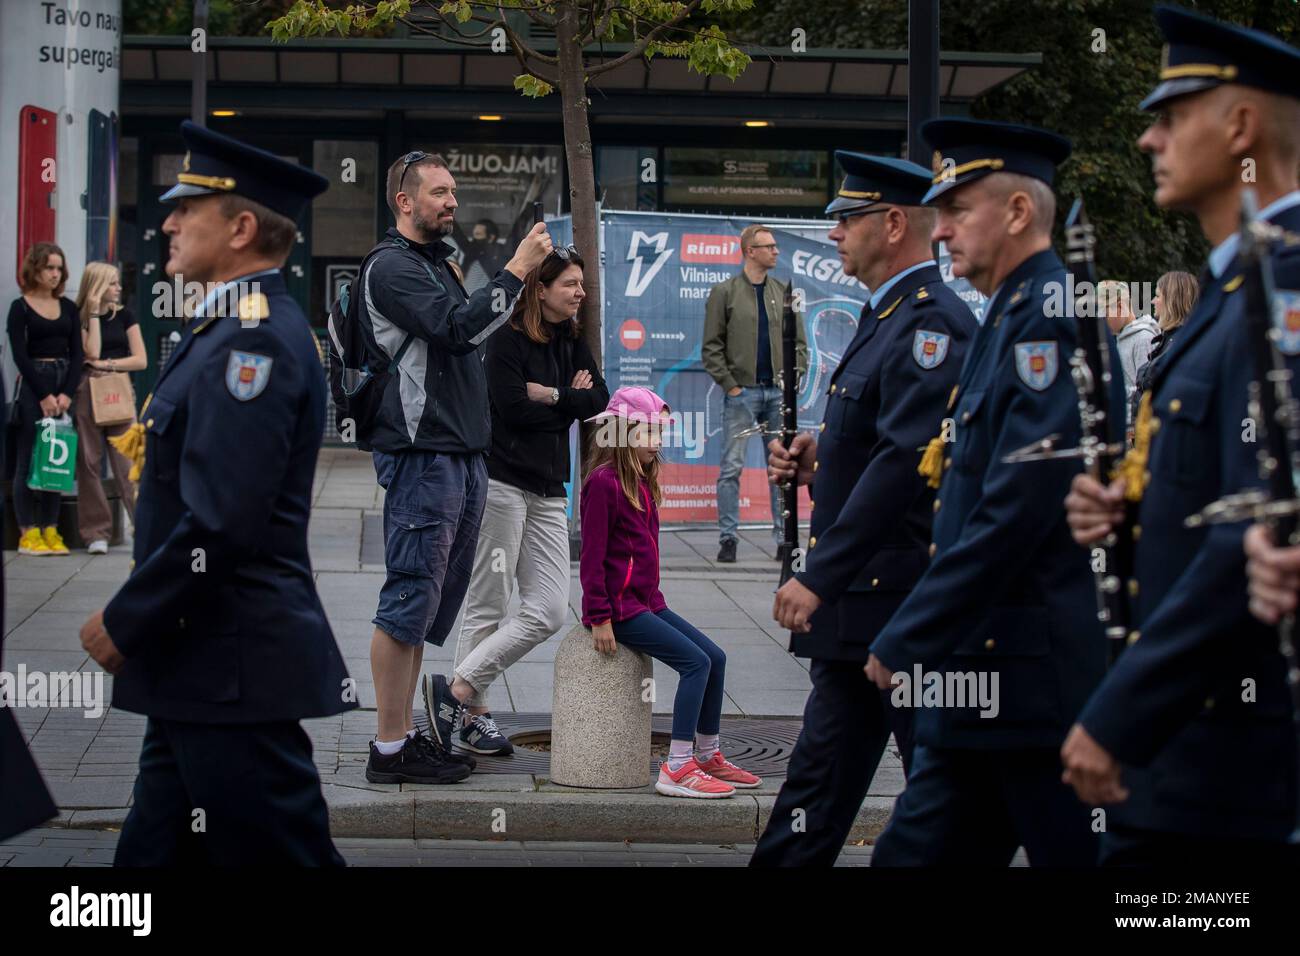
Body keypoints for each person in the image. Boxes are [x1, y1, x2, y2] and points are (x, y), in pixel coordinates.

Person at [77, 121, 354, 865]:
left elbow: (224, 522)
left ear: (238, 227)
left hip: (231, 662)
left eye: (184, 211)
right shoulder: (226, 327)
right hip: (200, 663)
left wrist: (126, 618)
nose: (165, 222)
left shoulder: (253, 340)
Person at [1061, 5, 1300, 867]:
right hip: (1192, 745)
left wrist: (1124, 711)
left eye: (1169, 118)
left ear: (1239, 126)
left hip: (1223, 754)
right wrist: (1135, 505)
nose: (1147, 141)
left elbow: (1258, 527)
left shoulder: (1285, 285)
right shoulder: (1235, 288)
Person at [862, 119, 1106, 867]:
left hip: (1027, 680)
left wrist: (910, 635)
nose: (941, 232)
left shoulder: (1047, 317)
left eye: (959, 210)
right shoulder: (1009, 312)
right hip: (988, 680)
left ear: (1019, 213)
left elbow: (1020, 503)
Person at [748, 153, 974, 866]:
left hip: (898, 604)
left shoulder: (933, 323)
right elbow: (878, 447)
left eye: (848, 219)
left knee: (945, 795)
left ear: (896, 223)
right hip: (863, 606)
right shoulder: (887, 316)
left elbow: (907, 464)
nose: (836, 233)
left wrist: (819, 575)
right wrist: (820, 463)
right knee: (818, 785)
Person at [362, 150, 551, 784]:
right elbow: (458, 329)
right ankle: (388, 750)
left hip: (461, 456)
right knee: (407, 601)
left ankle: (406, 738)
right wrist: (518, 270)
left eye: (454, 193)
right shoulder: (392, 267)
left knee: (427, 607)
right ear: (404, 201)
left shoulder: (434, 262)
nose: (452, 203)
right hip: (424, 458)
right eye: (440, 193)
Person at [424, 248, 608, 755]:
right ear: (541, 289)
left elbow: (597, 402)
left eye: (581, 284)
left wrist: (548, 396)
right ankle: (474, 716)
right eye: (570, 284)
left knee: (548, 610)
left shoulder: (573, 340)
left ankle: (455, 690)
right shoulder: (505, 339)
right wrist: (565, 401)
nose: (580, 293)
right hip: (501, 482)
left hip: (550, 489)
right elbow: (509, 410)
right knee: (487, 602)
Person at [579, 386, 761, 797]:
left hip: (646, 603)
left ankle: (708, 753)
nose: (657, 442)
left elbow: (646, 554)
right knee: (695, 663)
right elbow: (592, 557)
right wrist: (599, 618)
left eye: (659, 433)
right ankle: (677, 767)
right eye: (648, 433)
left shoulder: (642, 479)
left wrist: (656, 603)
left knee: (715, 657)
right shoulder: (603, 483)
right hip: (619, 611)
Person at [702, 224, 809, 563]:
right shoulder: (725, 292)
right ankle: (728, 539)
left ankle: (783, 539)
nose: (776, 251)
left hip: (778, 395)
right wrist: (731, 384)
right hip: (741, 394)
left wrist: (792, 381)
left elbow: (801, 346)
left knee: (779, 468)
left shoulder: (784, 291)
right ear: (751, 251)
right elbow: (711, 346)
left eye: (776, 246)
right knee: (731, 467)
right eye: (770, 246)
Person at [7, 242, 83, 556]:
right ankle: (28, 533)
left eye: (58, 268)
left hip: (63, 380)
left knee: (56, 458)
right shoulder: (20, 307)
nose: (55, 273)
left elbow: (77, 354)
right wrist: (44, 395)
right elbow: (20, 356)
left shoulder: (68, 308)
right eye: (49, 267)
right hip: (33, 386)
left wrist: (65, 393)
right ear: (35, 269)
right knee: (27, 458)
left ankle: (51, 528)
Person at [73, 261, 146, 554]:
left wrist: (107, 365)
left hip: (117, 388)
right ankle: (95, 533)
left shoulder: (126, 316)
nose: (118, 288)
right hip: (86, 391)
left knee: (129, 462)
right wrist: (92, 314)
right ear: (98, 285)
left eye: (118, 282)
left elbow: (140, 359)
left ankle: (143, 525)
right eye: (113, 283)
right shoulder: (77, 317)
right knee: (88, 462)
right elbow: (90, 350)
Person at [1128, 270, 1198, 427]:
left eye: (1158, 296)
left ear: (1173, 300)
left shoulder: (1181, 346)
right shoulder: (1168, 341)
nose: (1152, 301)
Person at [1097, 279, 1159, 413]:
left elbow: (1146, 392)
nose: (1102, 321)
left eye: (1105, 315)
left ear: (1119, 307)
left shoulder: (1143, 339)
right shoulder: (1121, 337)